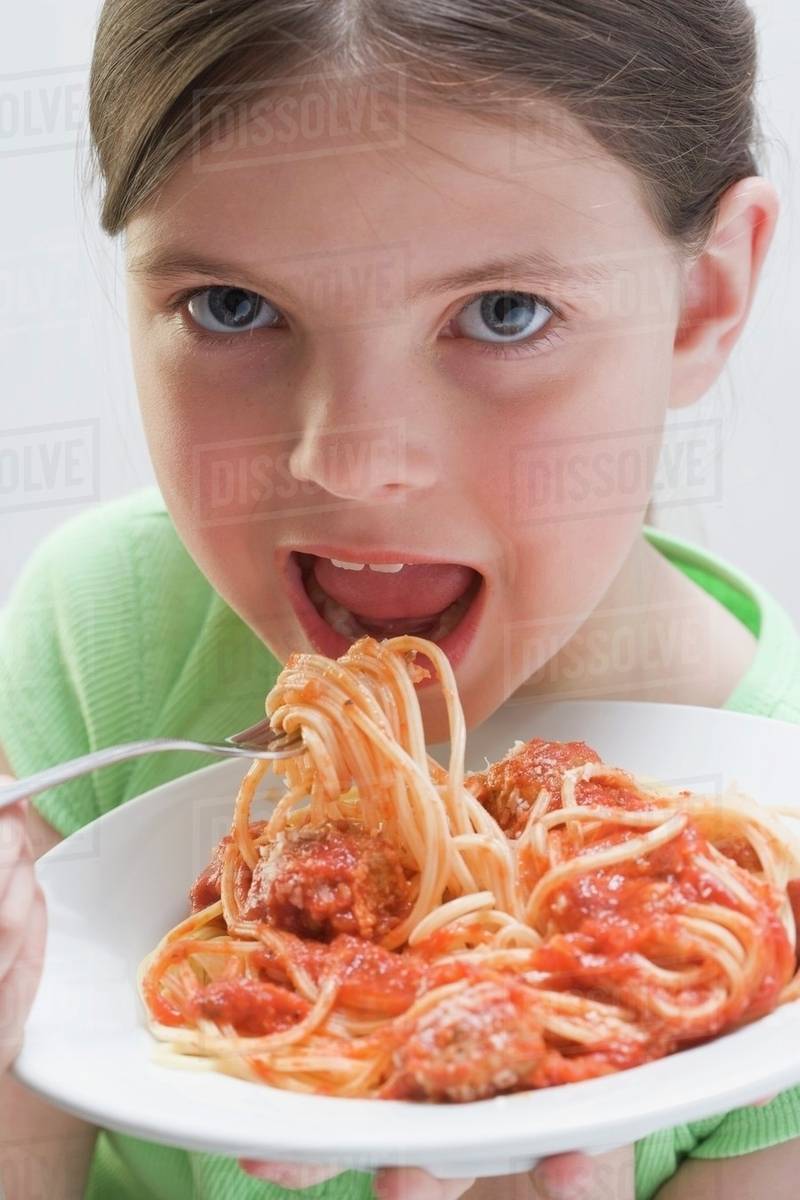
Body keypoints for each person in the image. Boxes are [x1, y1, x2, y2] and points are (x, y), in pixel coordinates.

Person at [1, 1, 799, 1197]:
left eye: (501, 315)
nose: (350, 460)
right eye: (233, 306)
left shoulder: (764, 897)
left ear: (702, 299)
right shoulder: (105, 631)